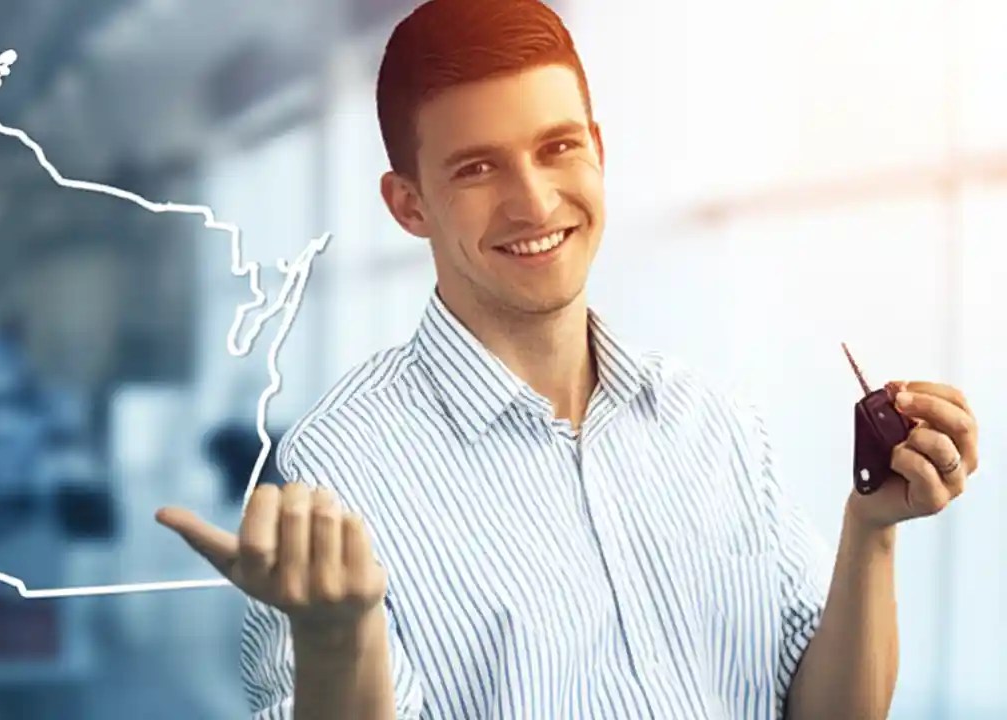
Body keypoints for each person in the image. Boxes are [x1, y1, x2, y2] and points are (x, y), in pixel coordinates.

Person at [155, 0, 983, 718]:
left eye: (557, 148)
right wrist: (337, 643)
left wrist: (872, 530)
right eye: (478, 167)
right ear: (408, 205)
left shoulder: (717, 424)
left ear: (597, 147)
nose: (535, 201)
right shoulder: (337, 466)